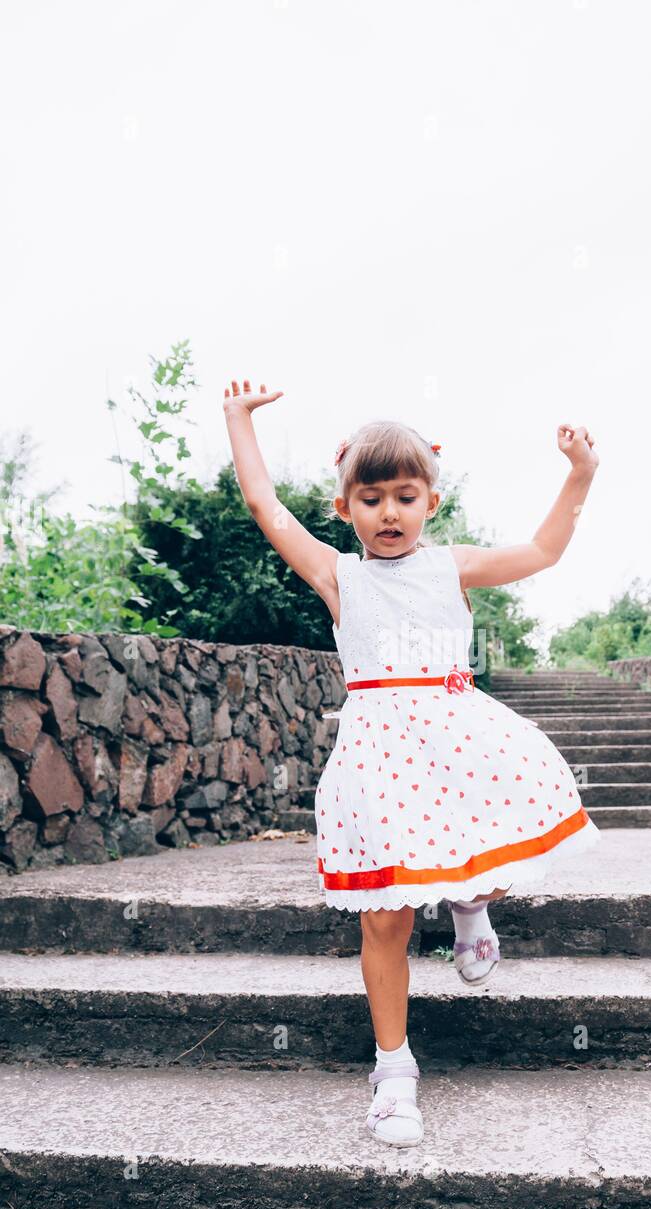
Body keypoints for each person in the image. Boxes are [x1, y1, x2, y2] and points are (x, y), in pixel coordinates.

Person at [223, 380, 603, 1148]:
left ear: (431, 501)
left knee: (494, 854)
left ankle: (471, 908)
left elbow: (541, 551)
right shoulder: (340, 576)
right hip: (378, 758)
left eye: (404, 495)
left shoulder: (451, 567)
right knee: (386, 915)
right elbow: (266, 506)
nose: (388, 513)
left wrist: (578, 475)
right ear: (345, 509)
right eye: (370, 498)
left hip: (461, 741)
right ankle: (393, 1072)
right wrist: (238, 419)